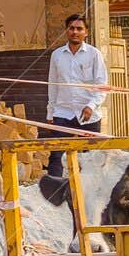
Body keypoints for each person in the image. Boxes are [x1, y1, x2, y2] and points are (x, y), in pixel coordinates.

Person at [43, 14, 108, 176]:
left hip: (89, 116)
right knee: (56, 155)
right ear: (66, 31)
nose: (75, 32)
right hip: (63, 113)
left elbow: (102, 85)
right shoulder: (57, 55)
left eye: (79, 29)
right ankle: (52, 195)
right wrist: (50, 113)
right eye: (71, 28)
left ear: (86, 32)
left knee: (91, 159)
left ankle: (89, 196)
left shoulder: (94, 54)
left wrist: (91, 106)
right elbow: (53, 85)